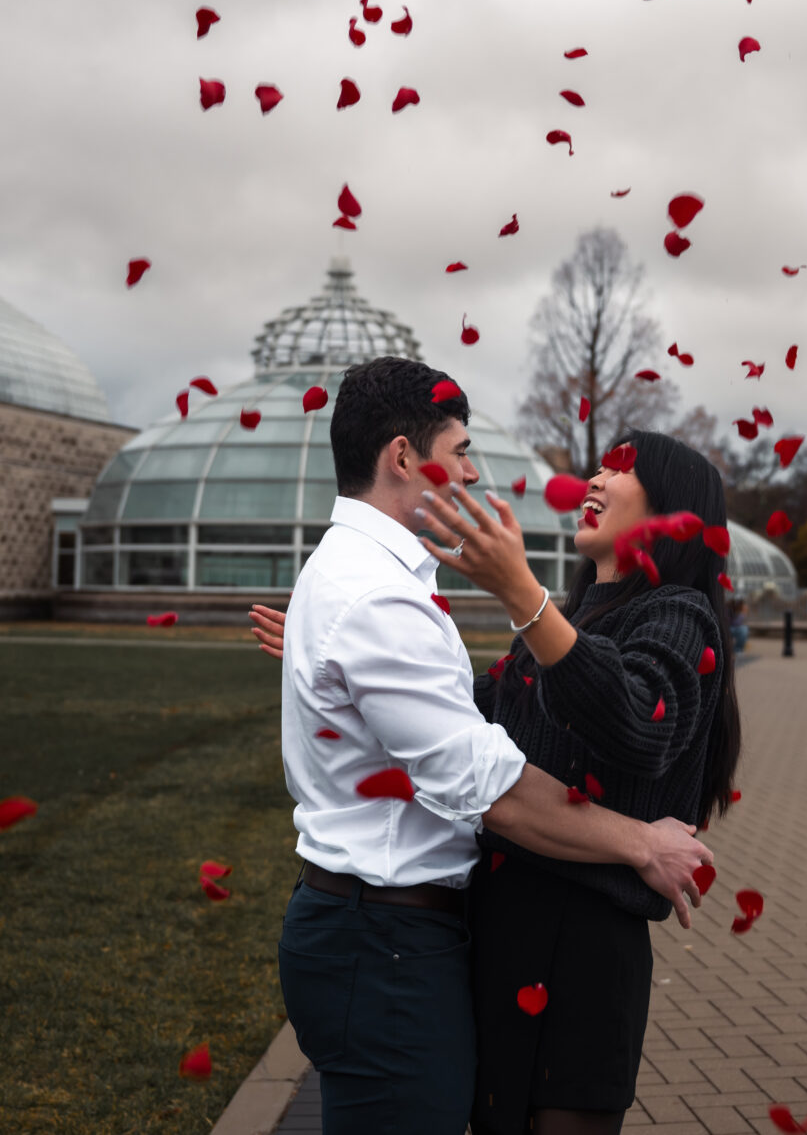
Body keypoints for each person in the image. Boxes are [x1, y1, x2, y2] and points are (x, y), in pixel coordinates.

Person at [249, 359, 712, 1135]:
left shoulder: (365, 587)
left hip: (452, 941)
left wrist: (357, 671)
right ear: (404, 458)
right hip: (390, 944)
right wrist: (641, 843)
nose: (470, 470)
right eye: (458, 449)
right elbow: (487, 783)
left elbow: (625, 719)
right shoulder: (375, 597)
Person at [413, 430, 742, 1135]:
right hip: (505, 930)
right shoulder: (576, 617)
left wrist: (523, 598)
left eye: (617, 470)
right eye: (595, 466)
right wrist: (355, 653)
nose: (591, 480)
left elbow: (637, 721)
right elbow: (484, 715)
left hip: (584, 952)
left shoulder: (677, 614)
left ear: (671, 510)